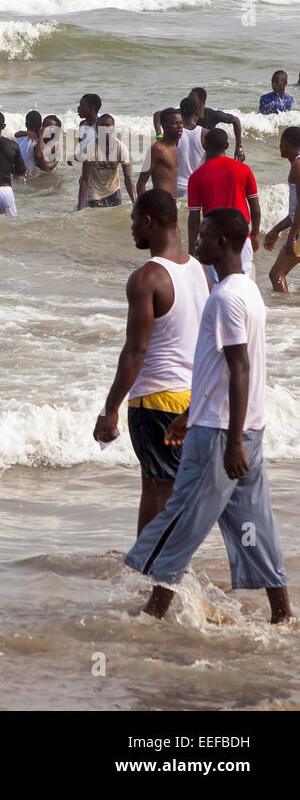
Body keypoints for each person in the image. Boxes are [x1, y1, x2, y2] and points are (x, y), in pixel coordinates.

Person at [124, 207, 290, 624]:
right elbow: (222, 368)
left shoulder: (226, 298)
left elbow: (239, 368)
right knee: (254, 522)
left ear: (222, 243)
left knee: (183, 515)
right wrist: (193, 414)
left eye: (204, 236)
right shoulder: (247, 290)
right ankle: (282, 612)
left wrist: (229, 440)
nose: (195, 240)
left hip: (222, 434)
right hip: (242, 425)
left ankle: (154, 610)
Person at [94, 190, 210, 535]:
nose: (131, 229)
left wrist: (110, 409)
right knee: (169, 488)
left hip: (155, 402)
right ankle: (156, 563)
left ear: (147, 220)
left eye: (133, 221)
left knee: (158, 489)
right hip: (191, 401)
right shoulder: (198, 269)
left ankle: (156, 567)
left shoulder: (147, 278)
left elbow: (135, 351)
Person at [186, 128, 260, 279]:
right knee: (243, 283)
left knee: (217, 286)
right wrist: (255, 234)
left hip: (213, 238)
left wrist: (192, 248)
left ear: (204, 146)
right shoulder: (244, 170)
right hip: (241, 237)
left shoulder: (196, 176)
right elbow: (256, 209)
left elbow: (194, 217)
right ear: (227, 146)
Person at [263, 126, 300, 292]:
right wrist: (276, 230)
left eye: (281, 142)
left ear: (285, 143)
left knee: (277, 274)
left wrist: (293, 236)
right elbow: (294, 211)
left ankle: (285, 310)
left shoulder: (298, 165)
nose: (280, 146)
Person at [76, 113, 134, 210]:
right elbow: (84, 179)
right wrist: (80, 205)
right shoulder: (90, 148)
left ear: (113, 128)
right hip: (94, 192)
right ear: (97, 129)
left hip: (113, 190)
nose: (105, 129)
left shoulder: (121, 148)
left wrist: (135, 202)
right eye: (102, 126)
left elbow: (128, 178)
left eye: (108, 126)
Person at [187, 87, 244, 162]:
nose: (188, 100)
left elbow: (236, 121)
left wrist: (238, 147)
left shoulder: (212, 115)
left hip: (208, 155)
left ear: (202, 101)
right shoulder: (185, 114)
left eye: (191, 98)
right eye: (188, 98)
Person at [137, 108, 182, 199]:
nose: (179, 126)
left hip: (173, 202)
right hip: (161, 201)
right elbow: (141, 183)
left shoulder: (176, 146)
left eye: (181, 123)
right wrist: (142, 207)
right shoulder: (157, 149)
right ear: (164, 126)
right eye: (174, 123)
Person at [173, 96, 207, 198]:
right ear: (197, 112)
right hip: (198, 187)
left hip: (177, 186)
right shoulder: (205, 133)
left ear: (180, 113)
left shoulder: (175, 134)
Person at [15, 110, 55, 176]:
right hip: (25, 177)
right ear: (41, 125)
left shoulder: (18, 140)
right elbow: (46, 166)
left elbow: (16, 134)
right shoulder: (37, 143)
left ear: (26, 124)